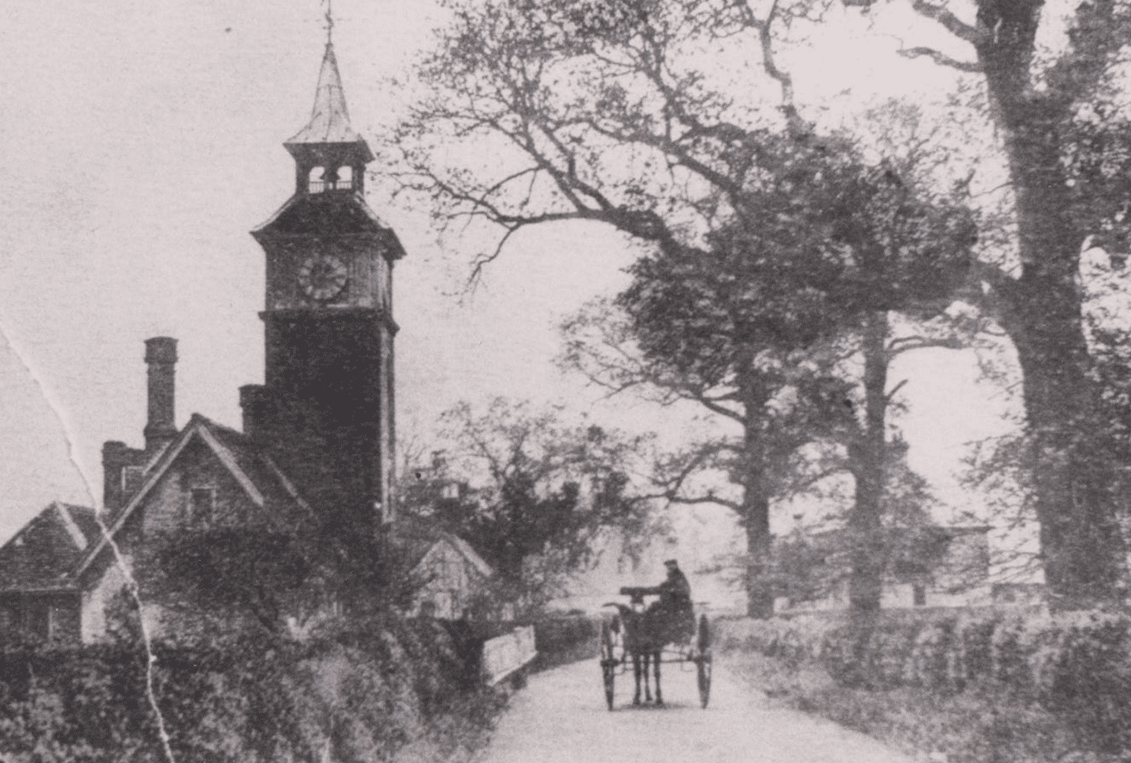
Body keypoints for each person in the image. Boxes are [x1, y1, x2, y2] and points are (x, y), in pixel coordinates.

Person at [648, 559, 695, 643]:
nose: (669, 567)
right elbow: (661, 588)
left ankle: (657, 633)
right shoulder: (671, 577)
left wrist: (671, 591)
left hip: (678, 604)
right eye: (668, 566)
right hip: (669, 603)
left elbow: (684, 590)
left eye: (671, 565)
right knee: (652, 607)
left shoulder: (679, 577)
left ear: (675, 565)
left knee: (657, 611)